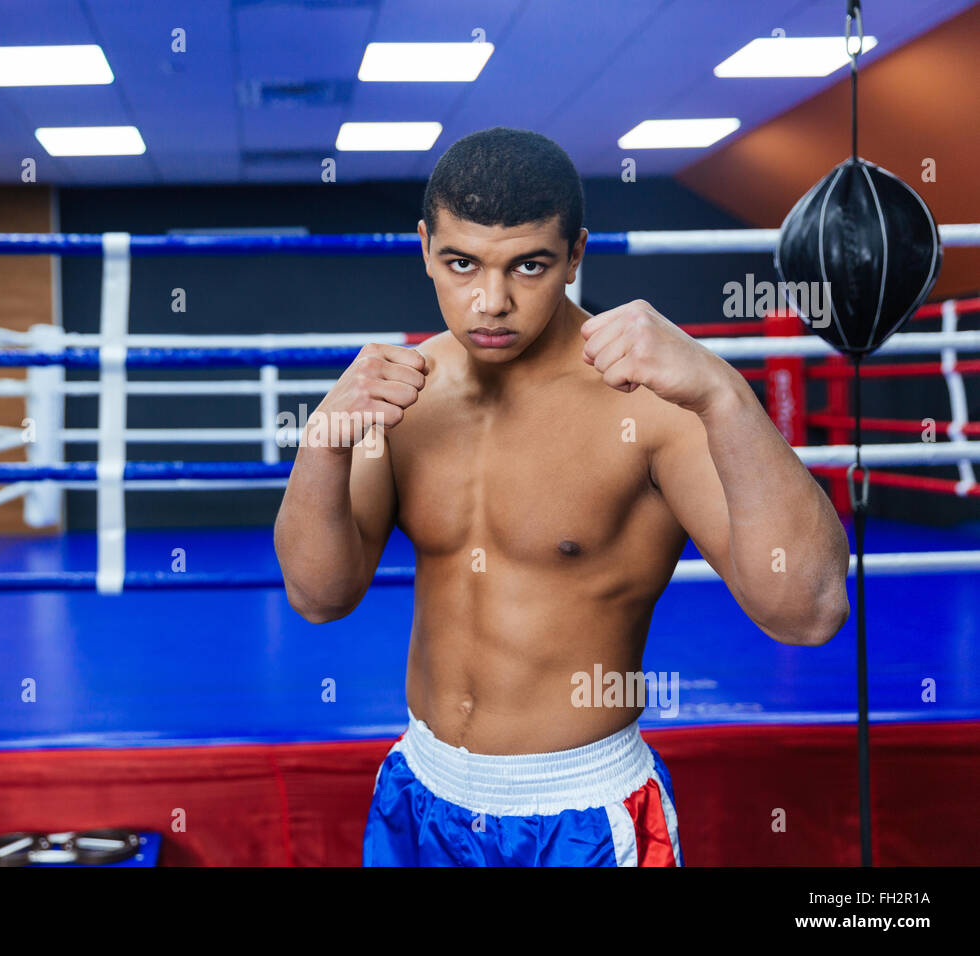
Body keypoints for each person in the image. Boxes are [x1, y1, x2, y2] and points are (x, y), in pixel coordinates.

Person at [273, 127, 851, 866]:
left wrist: (723, 392)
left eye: (530, 265)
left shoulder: (648, 404)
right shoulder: (405, 395)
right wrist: (323, 438)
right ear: (425, 247)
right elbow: (319, 596)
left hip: (579, 818)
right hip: (419, 790)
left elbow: (809, 612)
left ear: (576, 253)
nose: (492, 301)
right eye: (462, 264)